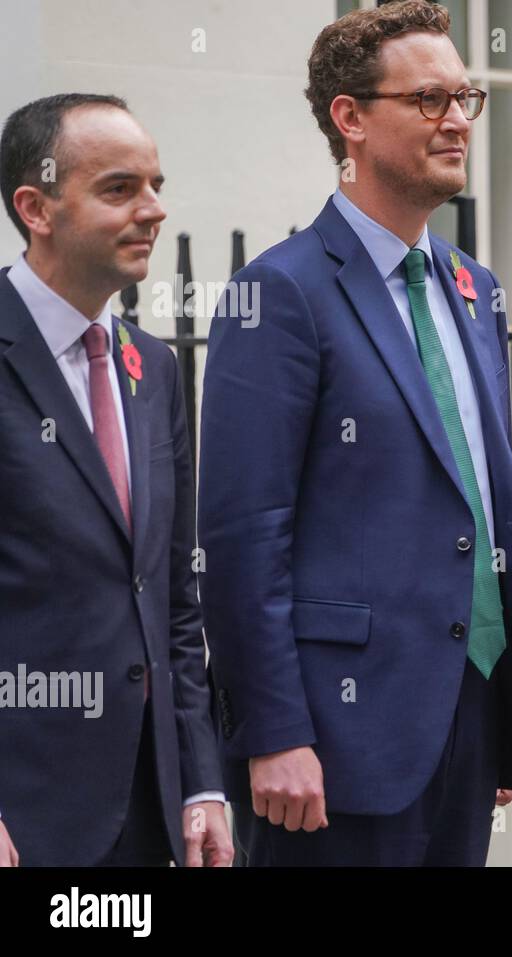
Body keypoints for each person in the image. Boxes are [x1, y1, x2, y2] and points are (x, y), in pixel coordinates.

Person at [198, 0, 512, 866]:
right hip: (329, 744)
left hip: (465, 716)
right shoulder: (279, 294)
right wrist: (274, 731)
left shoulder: (476, 289)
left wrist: (495, 713)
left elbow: (481, 498)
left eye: (467, 96)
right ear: (350, 117)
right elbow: (243, 535)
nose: (457, 119)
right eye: (429, 99)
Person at [0, 94, 231, 866]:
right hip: (24, 813)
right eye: (119, 188)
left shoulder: (153, 369)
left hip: (147, 812)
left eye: (156, 185)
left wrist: (201, 781)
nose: (154, 210)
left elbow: (172, 599)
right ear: (35, 206)